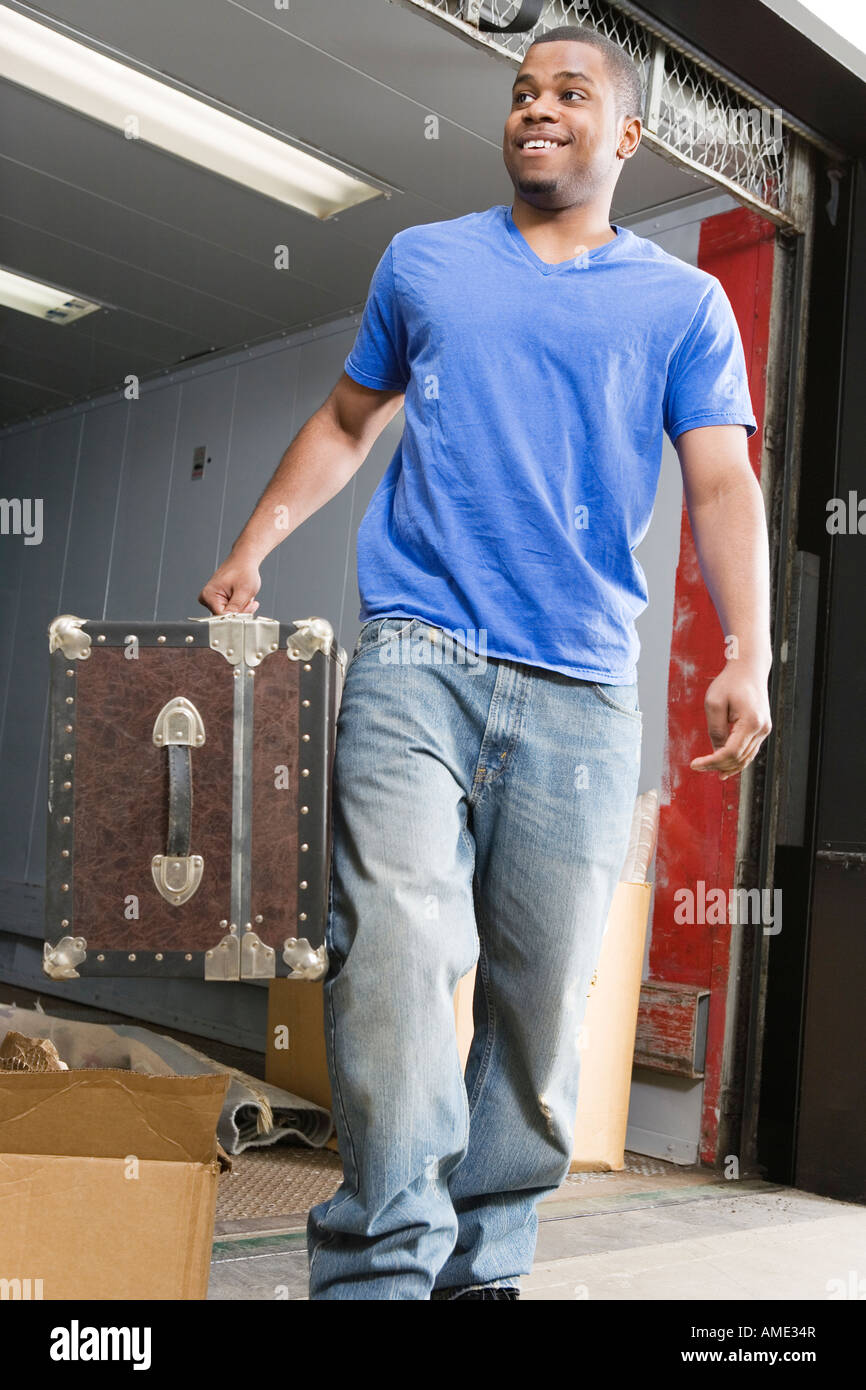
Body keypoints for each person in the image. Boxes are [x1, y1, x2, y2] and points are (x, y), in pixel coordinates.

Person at [199, 24, 773, 1300]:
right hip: (417, 653)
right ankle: (380, 1268)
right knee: (394, 945)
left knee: (535, 1002)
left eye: (570, 93)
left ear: (624, 136)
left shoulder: (680, 302)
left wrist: (749, 650)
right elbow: (350, 418)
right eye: (520, 92)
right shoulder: (426, 264)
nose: (535, 109)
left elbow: (723, 480)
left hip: (579, 688)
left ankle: (481, 1269)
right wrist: (254, 543)